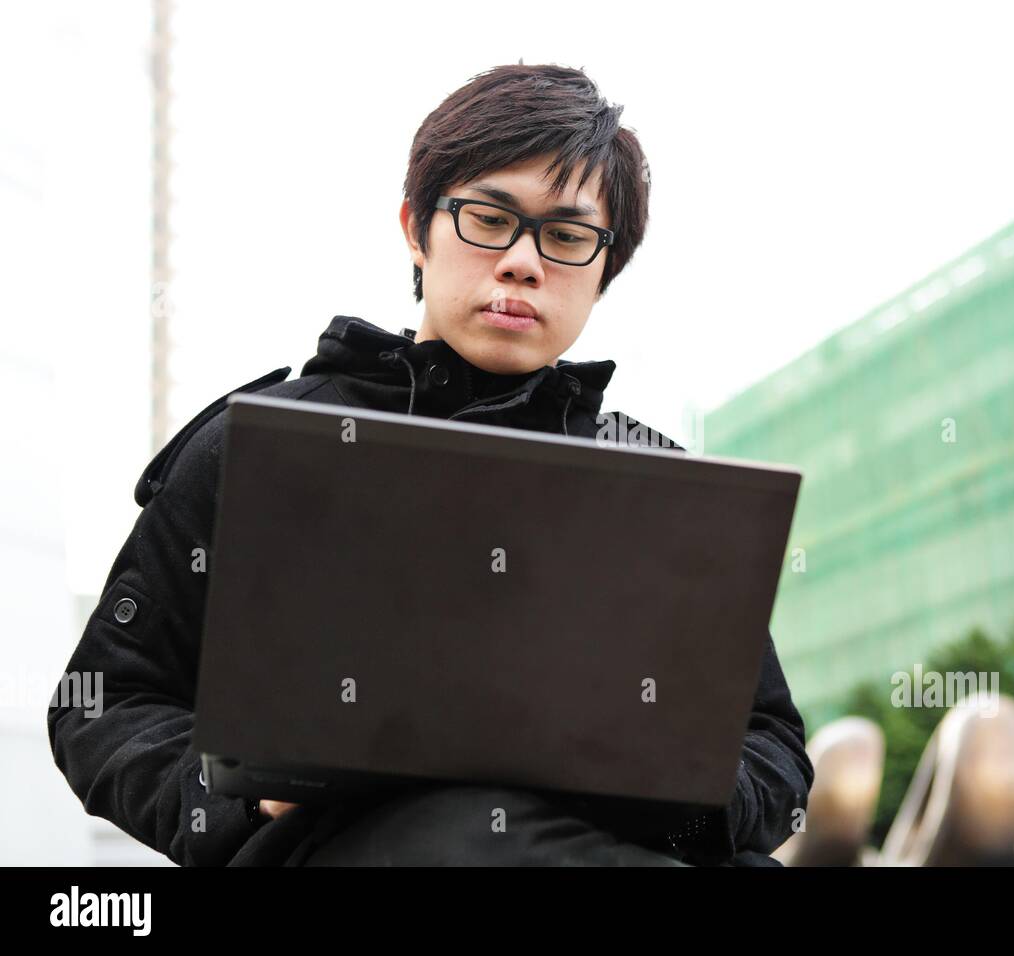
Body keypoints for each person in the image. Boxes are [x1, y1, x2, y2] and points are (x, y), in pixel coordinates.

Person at [47, 62, 813, 867]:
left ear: (603, 269)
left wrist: (680, 801)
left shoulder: (657, 484)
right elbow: (102, 702)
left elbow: (774, 750)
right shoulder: (269, 443)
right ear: (417, 227)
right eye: (489, 217)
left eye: (567, 235)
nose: (523, 263)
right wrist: (237, 802)